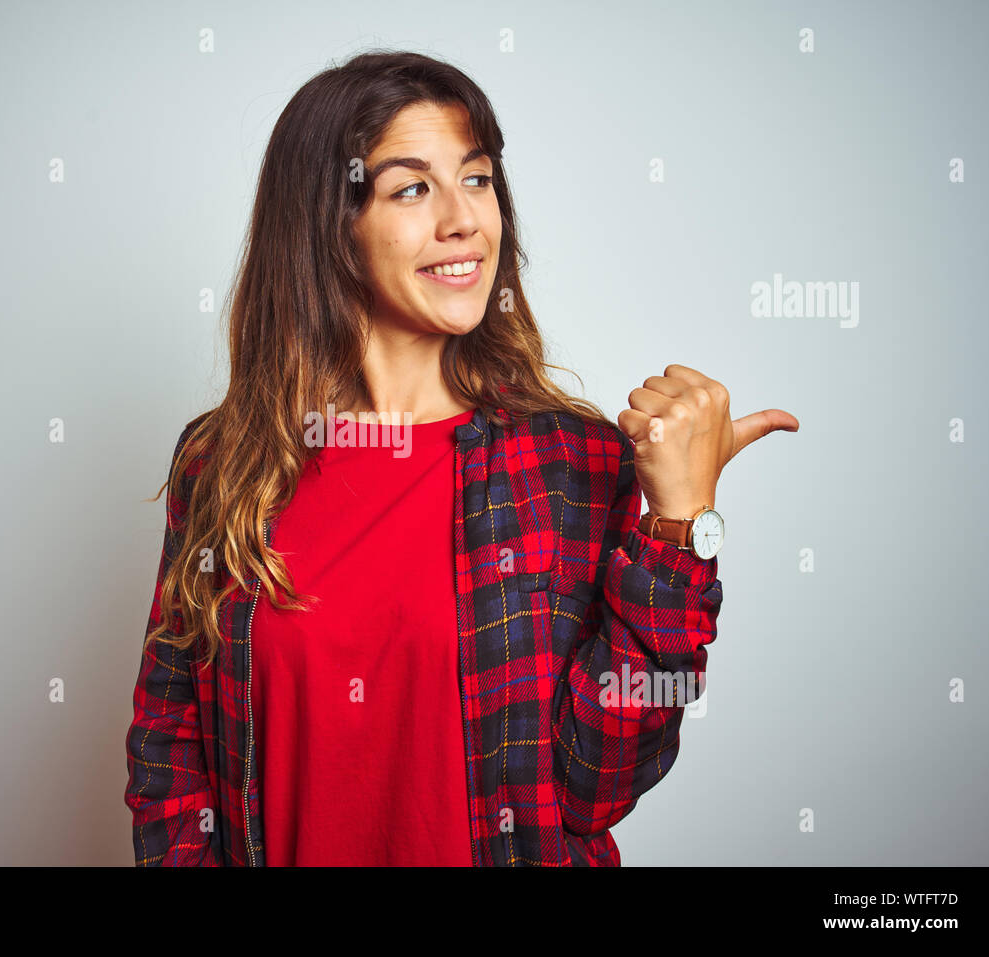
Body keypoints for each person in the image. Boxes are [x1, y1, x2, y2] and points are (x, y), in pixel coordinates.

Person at [124, 50, 797, 866]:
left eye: (477, 179)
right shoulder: (224, 464)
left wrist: (680, 524)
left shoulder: (571, 464)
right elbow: (169, 756)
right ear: (330, 227)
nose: (464, 219)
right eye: (412, 188)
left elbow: (598, 784)